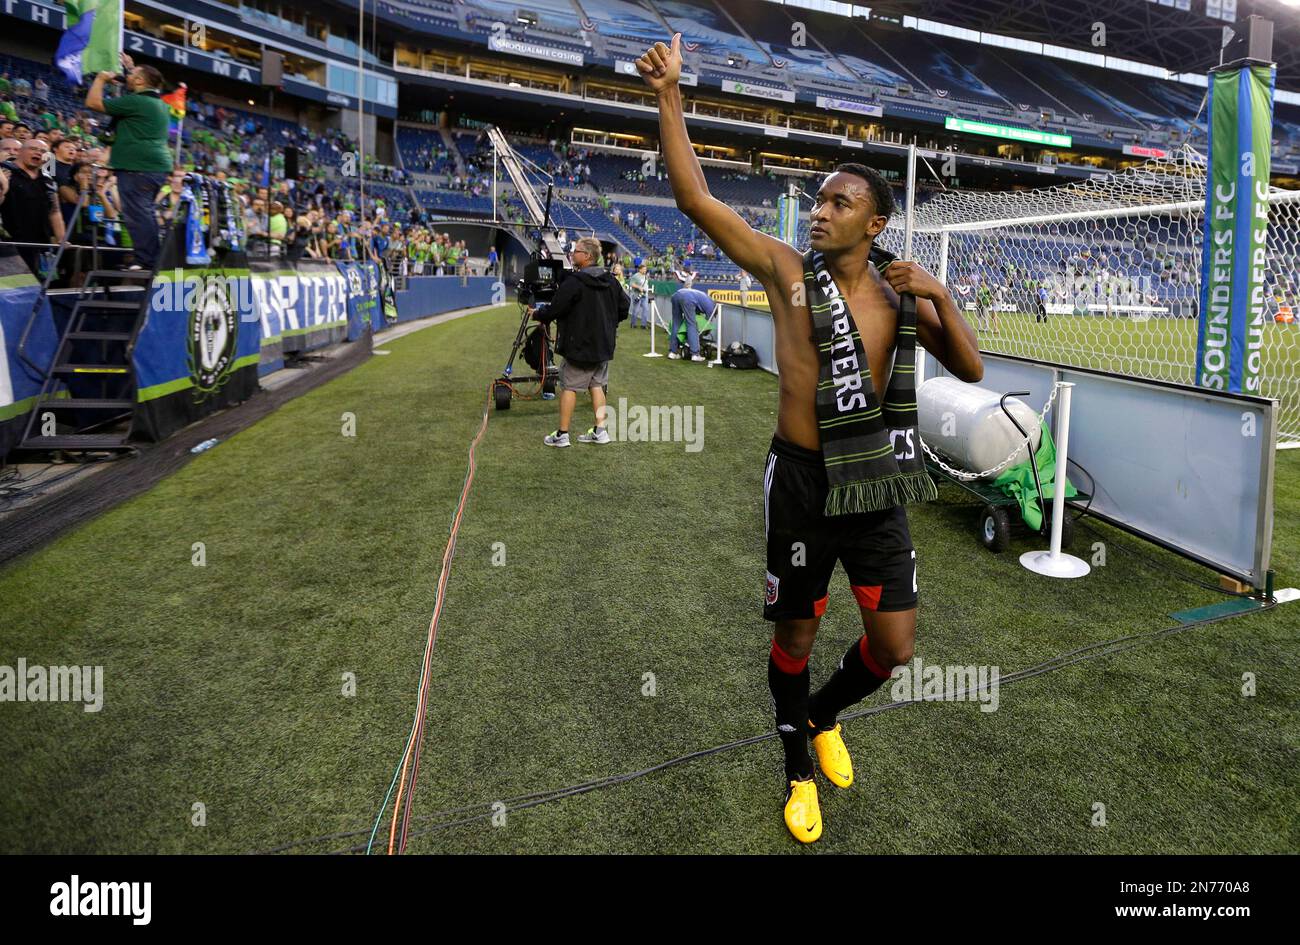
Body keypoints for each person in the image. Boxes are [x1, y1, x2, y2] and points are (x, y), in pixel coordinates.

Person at [637, 33, 983, 844]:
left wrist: (939, 292)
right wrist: (668, 95)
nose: (819, 212)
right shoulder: (788, 274)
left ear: (877, 221)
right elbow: (698, 202)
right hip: (799, 482)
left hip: (878, 486)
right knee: (794, 633)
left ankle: (825, 713)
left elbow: (968, 367)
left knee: (894, 645)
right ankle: (797, 766)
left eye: (838, 203)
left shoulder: (902, 294)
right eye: (818, 201)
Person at [531, 236, 629, 448]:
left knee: (570, 387)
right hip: (603, 345)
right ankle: (600, 431)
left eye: (576, 251)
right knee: (597, 385)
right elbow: (624, 307)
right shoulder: (611, 280)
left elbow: (556, 308)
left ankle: (562, 434)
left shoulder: (574, 282)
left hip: (579, 346)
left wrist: (537, 314)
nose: (572, 254)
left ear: (586, 256)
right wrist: (609, 324)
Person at [85, 54, 171, 270]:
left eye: (132, 75)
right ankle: (150, 259)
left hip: (137, 166)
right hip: (153, 166)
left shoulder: (138, 101)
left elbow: (93, 103)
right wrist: (130, 69)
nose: (127, 76)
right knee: (144, 212)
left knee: (137, 214)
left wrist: (102, 79)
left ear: (141, 81)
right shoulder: (154, 102)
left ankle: (147, 261)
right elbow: (132, 89)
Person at [1, 138, 65, 276]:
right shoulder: (4, 172)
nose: (38, 153)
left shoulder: (47, 180)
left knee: (42, 284)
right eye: (33, 149)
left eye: (43, 151)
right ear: (20, 152)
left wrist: (61, 238)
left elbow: (55, 210)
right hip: (11, 243)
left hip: (41, 245)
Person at [667, 285, 714, 361]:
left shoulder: (704, 298)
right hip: (688, 298)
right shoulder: (712, 307)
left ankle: (673, 352)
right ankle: (695, 354)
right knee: (691, 324)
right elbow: (708, 323)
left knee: (676, 323)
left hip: (676, 295)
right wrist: (705, 332)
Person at [629, 262, 651, 328]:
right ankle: (633, 324)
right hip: (637, 295)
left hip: (645, 295)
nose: (645, 270)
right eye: (644, 269)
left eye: (645, 269)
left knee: (646, 309)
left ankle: (643, 325)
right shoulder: (635, 276)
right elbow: (631, 284)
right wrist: (638, 287)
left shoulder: (646, 276)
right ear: (640, 269)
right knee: (636, 310)